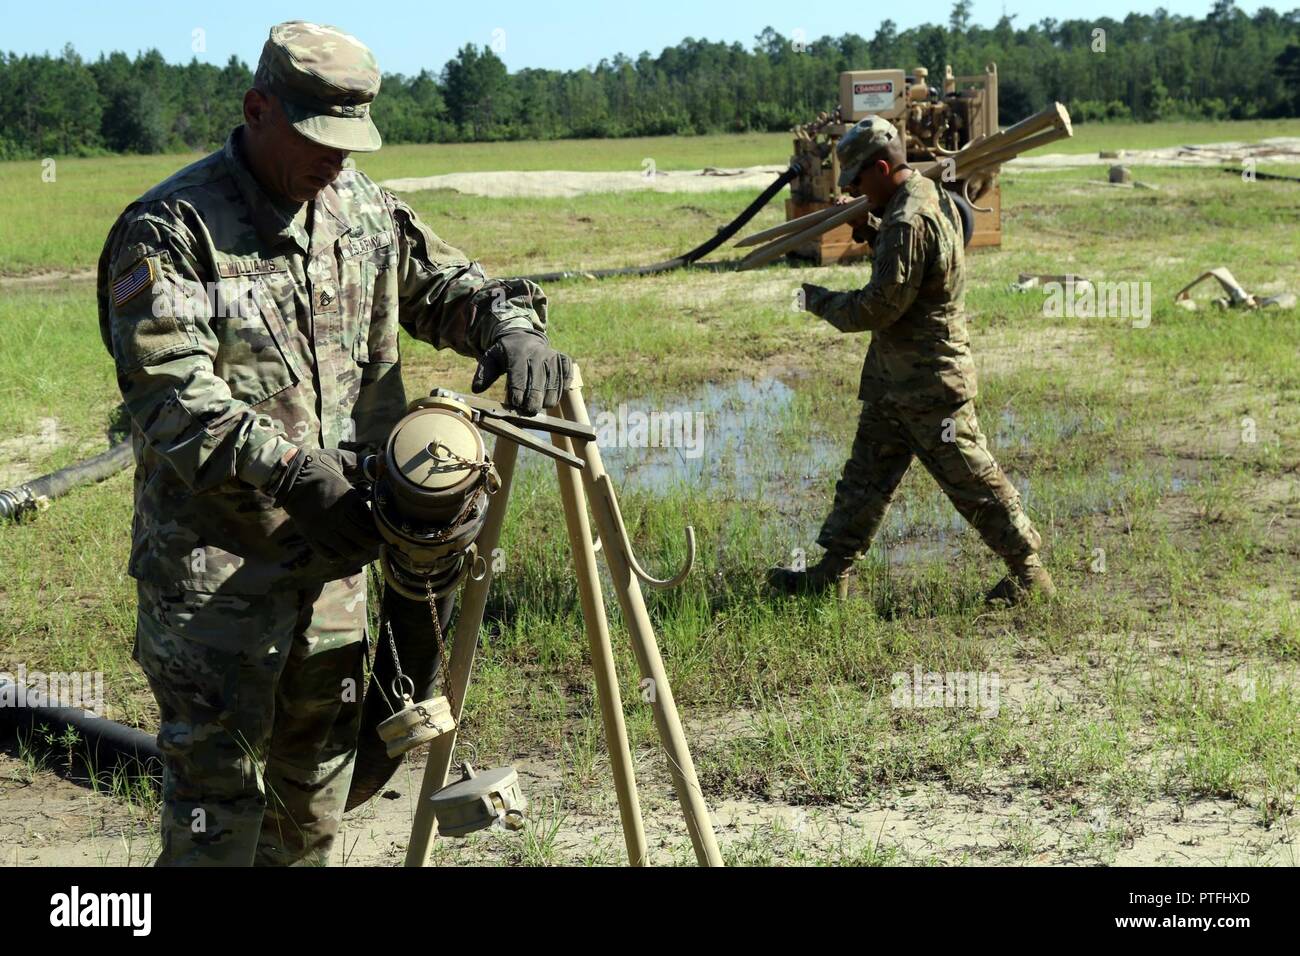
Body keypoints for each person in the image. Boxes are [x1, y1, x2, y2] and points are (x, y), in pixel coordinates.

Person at [97, 20, 571, 865]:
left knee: (313, 809)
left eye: (353, 141)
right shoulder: (172, 230)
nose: (337, 160)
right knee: (216, 814)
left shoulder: (363, 210)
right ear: (258, 109)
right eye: (320, 138)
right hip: (217, 589)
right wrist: (295, 472)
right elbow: (171, 394)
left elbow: (452, 286)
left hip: (336, 583)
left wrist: (511, 327)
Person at [767, 116, 1056, 606]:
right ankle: (831, 574)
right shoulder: (921, 195)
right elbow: (914, 265)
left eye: (858, 180)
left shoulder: (907, 220)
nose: (854, 189)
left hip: (928, 385)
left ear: (882, 168)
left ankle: (1029, 573)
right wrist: (867, 227)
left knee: (969, 479)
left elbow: (881, 305)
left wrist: (816, 300)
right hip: (895, 384)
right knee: (864, 479)